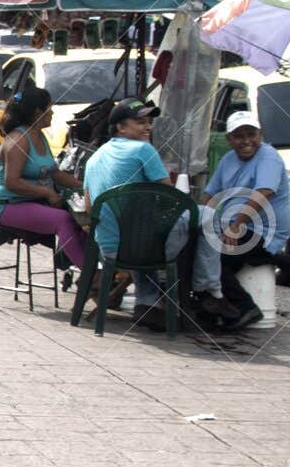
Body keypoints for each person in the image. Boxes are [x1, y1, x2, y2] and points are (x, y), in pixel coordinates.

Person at [83, 100, 241, 331]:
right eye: (140, 122)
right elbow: (170, 199)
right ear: (121, 127)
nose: (147, 127)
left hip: (109, 248)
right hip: (148, 249)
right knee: (208, 215)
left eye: (149, 122)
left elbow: (89, 208)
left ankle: (146, 303)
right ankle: (208, 290)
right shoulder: (143, 150)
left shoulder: (95, 157)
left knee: (142, 229)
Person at [0, 87, 97, 283]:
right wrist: (46, 192)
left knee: (84, 220)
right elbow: (11, 182)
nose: (53, 113)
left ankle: (87, 272)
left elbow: (55, 173)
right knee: (63, 219)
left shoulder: (39, 135)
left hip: (35, 203)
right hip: (9, 205)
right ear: (38, 113)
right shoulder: (18, 140)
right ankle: (93, 276)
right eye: (50, 108)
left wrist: (87, 187)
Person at [203, 110, 290, 325]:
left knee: (214, 260)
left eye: (251, 134)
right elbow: (210, 193)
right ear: (229, 139)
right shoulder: (228, 159)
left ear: (260, 134)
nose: (246, 141)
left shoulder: (268, 156)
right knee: (197, 249)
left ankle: (245, 308)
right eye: (239, 136)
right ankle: (213, 307)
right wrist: (198, 217)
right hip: (236, 225)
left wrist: (236, 226)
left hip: (262, 230)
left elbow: (263, 193)